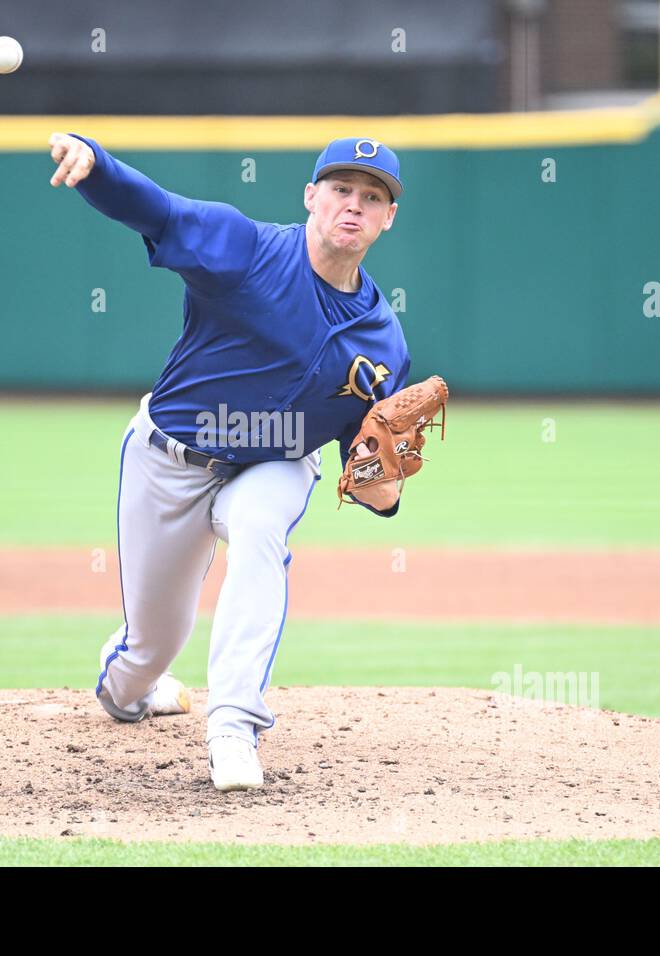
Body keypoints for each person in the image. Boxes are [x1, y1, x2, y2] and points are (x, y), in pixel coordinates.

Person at [48, 132, 412, 791]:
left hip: (272, 465)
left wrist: (379, 479)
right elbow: (156, 210)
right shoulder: (244, 249)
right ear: (310, 197)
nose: (352, 206)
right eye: (339, 190)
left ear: (388, 217)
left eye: (371, 197)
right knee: (147, 652)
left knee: (260, 528)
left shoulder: (383, 342)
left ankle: (234, 727)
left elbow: (378, 493)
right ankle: (131, 676)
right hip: (168, 460)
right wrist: (96, 166)